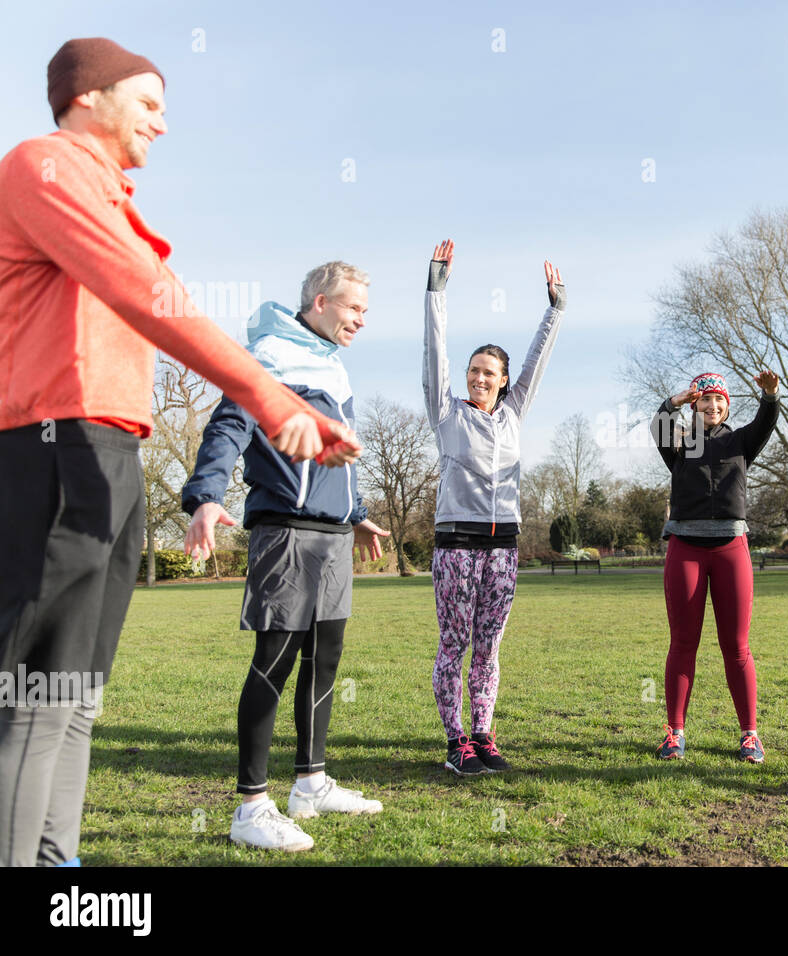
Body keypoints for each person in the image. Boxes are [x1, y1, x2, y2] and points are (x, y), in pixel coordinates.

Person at [0, 38, 359, 868]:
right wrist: (271, 398)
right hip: (55, 449)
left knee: (78, 693)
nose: (164, 121)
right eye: (149, 101)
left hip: (109, 454)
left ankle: (61, 867)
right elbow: (151, 294)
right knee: (36, 694)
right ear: (89, 97)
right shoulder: (45, 167)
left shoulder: (108, 194)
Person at [182, 262, 391, 852]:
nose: (361, 320)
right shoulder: (270, 352)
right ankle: (251, 807)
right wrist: (204, 497)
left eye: (366, 312)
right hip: (286, 536)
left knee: (325, 659)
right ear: (321, 302)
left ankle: (312, 784)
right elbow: (228, 428)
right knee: (275, 660)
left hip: (331, 538)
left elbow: (331, 456)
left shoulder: (331, 363)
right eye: (354, 309)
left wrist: (355, 512)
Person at [423, 239, 565, 775]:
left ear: (504, 382)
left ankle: (484, 733)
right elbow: (433, 354)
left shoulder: (514, 414)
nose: (479, 377)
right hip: (456, 545)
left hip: (503, 547)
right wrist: (436, 289)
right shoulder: (446, 413)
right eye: (474, 370)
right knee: (455, 642)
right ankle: (455, 739)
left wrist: (555, 309)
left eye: (490, 372)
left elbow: (538, 360)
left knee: (488, 647)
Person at [650, 369, 779, 763]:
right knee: (683, 643)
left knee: (736, 647)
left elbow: (765, 422)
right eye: (705, 399)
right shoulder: (681, 443)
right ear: (696, 404)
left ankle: (750, 735)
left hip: (730, 550)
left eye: (719, 400)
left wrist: (770, 395)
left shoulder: (741, 441)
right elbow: (658, 429)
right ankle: (675, 733)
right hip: (686, 549)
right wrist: (673, 403)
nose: (712, 405)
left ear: (727, 405)